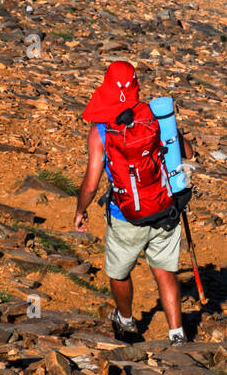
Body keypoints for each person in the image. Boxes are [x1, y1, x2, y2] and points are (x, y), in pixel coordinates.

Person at [74, 60, 192, 345]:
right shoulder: (155, 115)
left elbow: (91, 182)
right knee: (165, 273)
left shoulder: (101, 130)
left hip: (125, 214)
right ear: (136, 83)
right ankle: (176, 335)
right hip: (165, 207)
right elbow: (186, 151)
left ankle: (126, 323)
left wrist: (81, 210)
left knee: (119, 272)